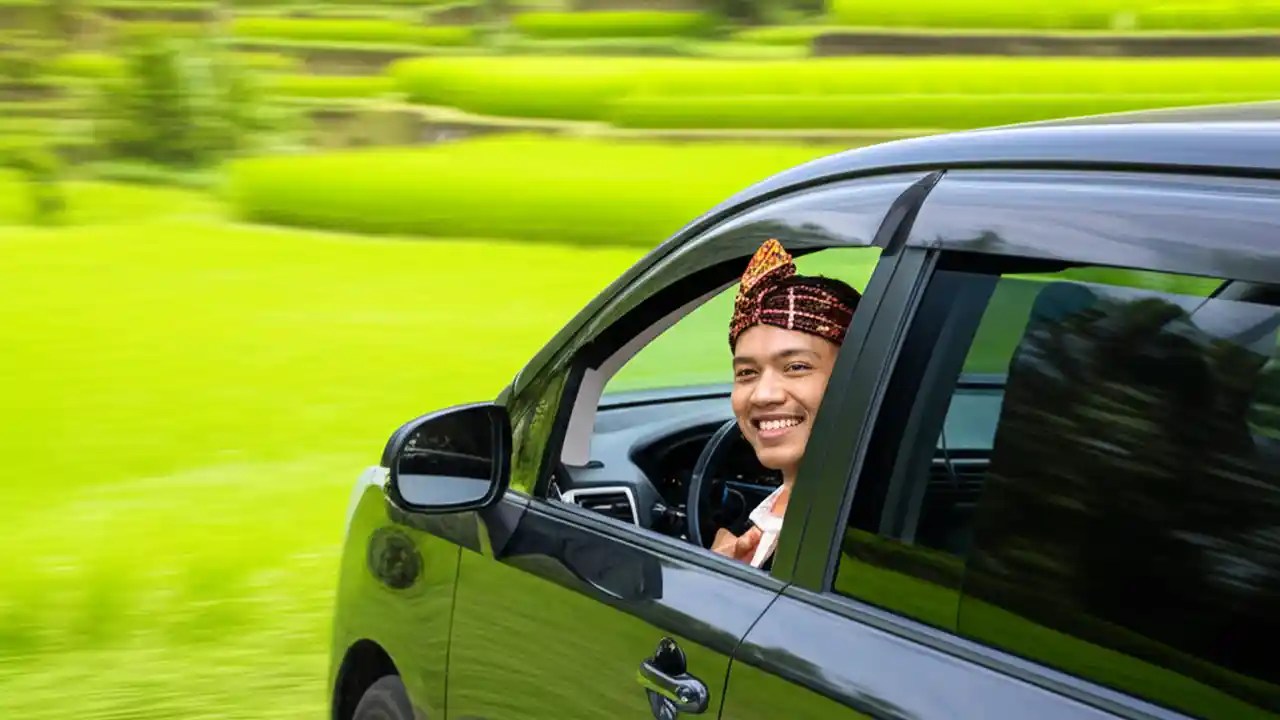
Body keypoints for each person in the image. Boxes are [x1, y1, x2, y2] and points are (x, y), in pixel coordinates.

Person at [711, 239, 861, 568]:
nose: (764, 395)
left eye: (796, 367)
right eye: (747, 372)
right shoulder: (775, 515)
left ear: (858, 377)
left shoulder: (855, 537)